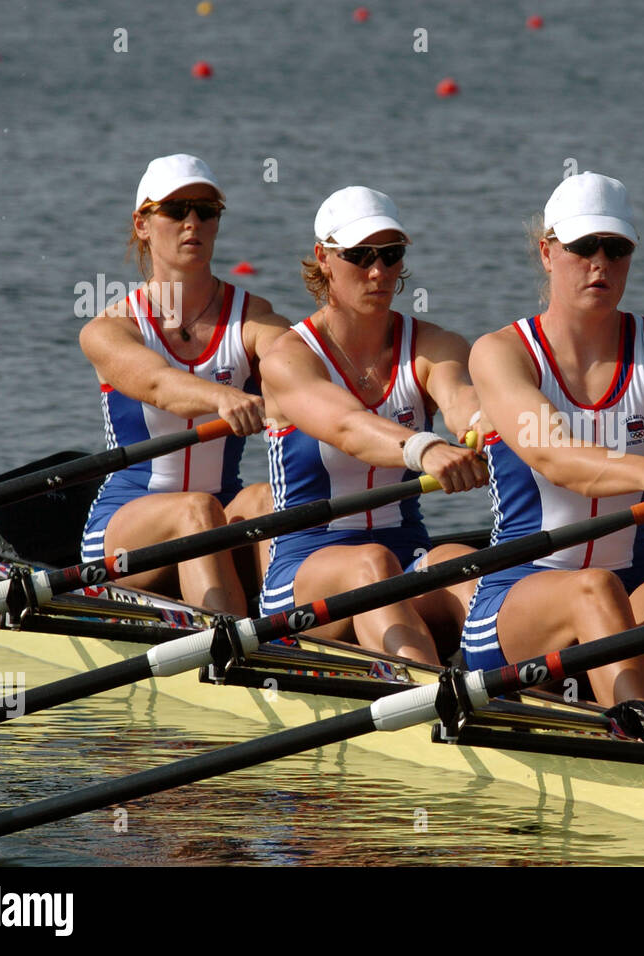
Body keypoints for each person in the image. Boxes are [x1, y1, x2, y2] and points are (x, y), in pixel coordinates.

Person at [463, 172, 644, 727]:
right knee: (592, 588)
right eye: (582, 247)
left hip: (634, 591)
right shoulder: (501, 353)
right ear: (547, 253)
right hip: (516, 608)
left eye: (616, 248)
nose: (601, 263)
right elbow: (555, 456)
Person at [259, 186, 488, 663]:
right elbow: (346, 426)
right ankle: (436, 705)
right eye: (360, 256)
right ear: (323, 258)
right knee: (371, 564)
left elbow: (460, 397)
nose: (378, 271)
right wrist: (427, 449)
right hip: (301, 576)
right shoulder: (288, 359)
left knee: (469, 567)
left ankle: (543, 702)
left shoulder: (435, 344)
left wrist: (485, 424)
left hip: (409, 556)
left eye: (391, 254)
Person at [79, 154, 289, 615]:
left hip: (222, 509)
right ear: (143, 224)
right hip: (127, 523)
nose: (192, 222)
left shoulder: (256, 318)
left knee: (274, 499)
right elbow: (159, 386)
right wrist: (224, 397)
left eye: (206, 211)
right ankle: (234, 656)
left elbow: (298, 376)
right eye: (176, 211)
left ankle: (299, 639)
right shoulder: (110, 328)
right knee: (195, 510)